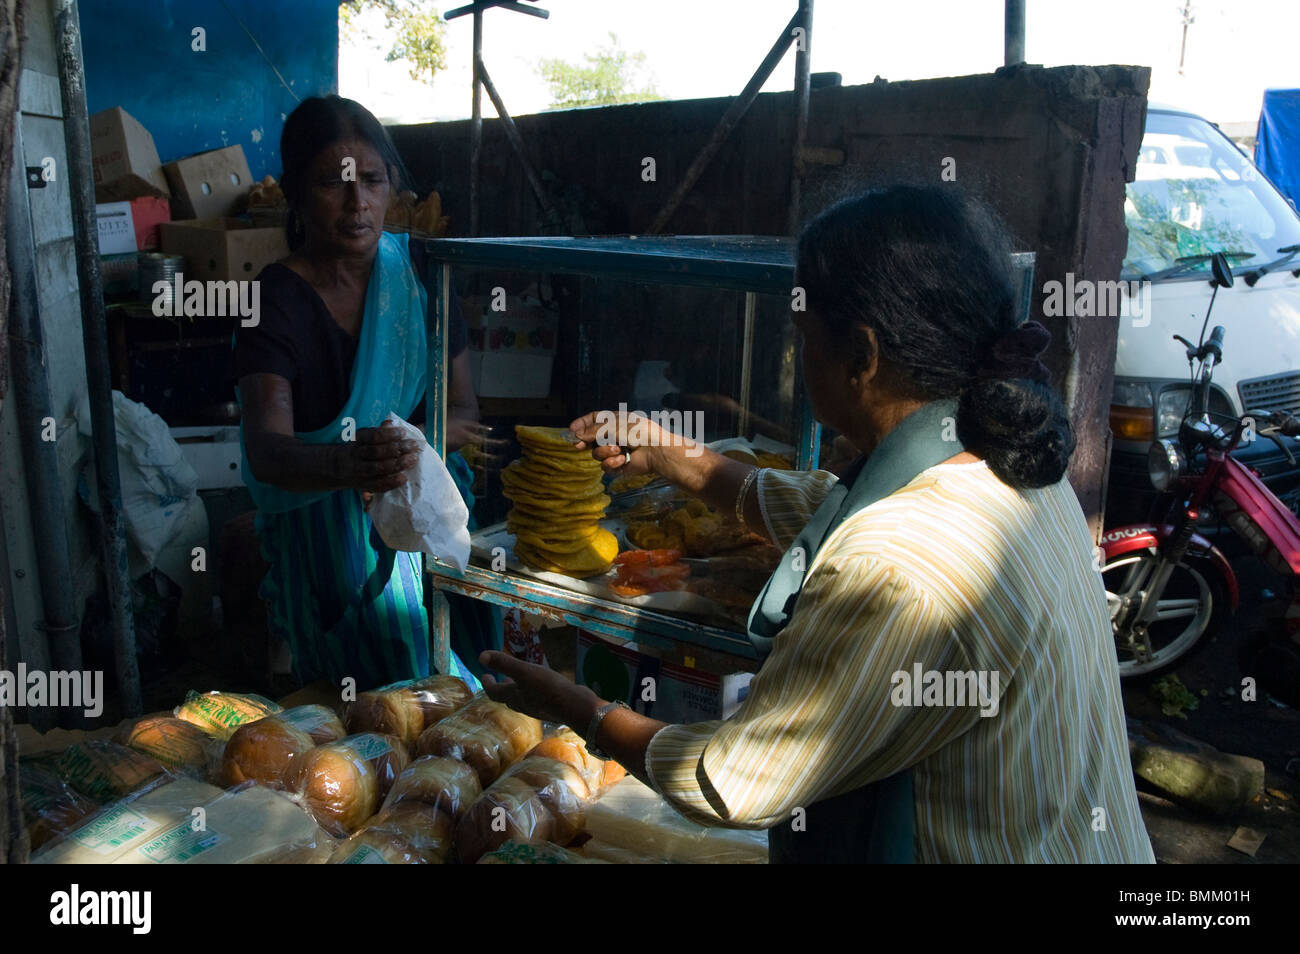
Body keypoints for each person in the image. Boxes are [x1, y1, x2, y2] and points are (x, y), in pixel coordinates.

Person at [479, 185, 1156, 863]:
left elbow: (733, 782)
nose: (801, 359)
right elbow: (829, 508)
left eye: (804, 337)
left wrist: (583, 709)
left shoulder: (892, 563)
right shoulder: (1011, 467)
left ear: (862, 355)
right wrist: (675, 458)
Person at [234, 95, 497, 692]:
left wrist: (403, 451)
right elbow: (268, 451)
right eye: (334, 183)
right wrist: (348, 464)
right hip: (324, 535)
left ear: (390, 187)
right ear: (297, 194)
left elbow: (462, 413)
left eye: (372, 181)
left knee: (466, 694)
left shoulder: (420, 272)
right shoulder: (273, 301)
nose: (358, 203)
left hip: (428, 511)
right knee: (372, 706)